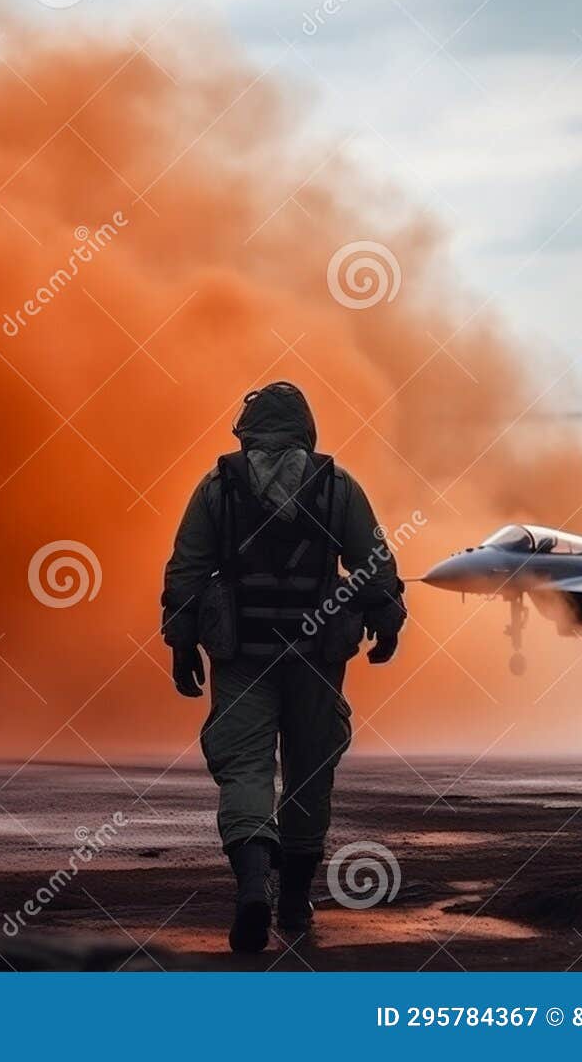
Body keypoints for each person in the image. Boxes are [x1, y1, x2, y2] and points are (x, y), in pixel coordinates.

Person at [160, 381, 406, 953]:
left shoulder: (217, 487)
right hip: (316, 660)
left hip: (244, 657)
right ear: (306, 430)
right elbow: (374, 566)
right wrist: (387, 623)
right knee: (310, 772)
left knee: (244, 769)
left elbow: (186, 572)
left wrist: (181, 646)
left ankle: (252, 890)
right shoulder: (338, 487)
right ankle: (294, 900)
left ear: (247, 433)